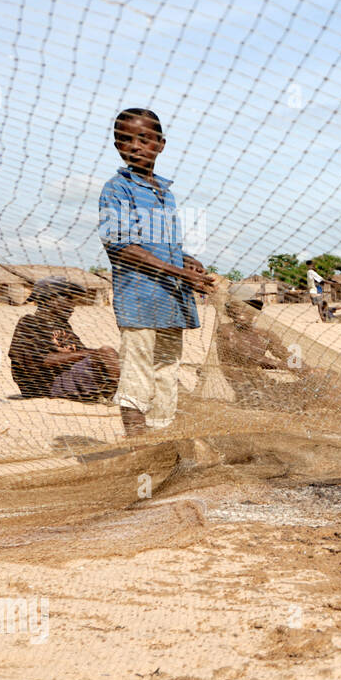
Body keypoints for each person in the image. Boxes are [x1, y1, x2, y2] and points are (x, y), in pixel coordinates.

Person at [99, 108, 213, 436]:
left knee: (166, 371)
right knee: (137, 370)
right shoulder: (117, 189)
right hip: (139, 298)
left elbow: (159, 244)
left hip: (170, 301)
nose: (134, 146)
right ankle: (136, 443)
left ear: (160, 144)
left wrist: (186, 260)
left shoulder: (164, 192)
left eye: (143, 139)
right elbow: (121, 246)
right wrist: (177, 271)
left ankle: (161, 438)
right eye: (124, 140)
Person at [8, 278, 119, 402]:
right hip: (45, 385)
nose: (73, 305)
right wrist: (91, 353)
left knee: (113, 357)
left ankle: (118, 392)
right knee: (107, 352)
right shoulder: (30, 323)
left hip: (68, 377)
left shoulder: (63, 325)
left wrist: (93, 354)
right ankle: (123, 395)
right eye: (68, 299)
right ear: (49, 299)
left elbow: (81, 352)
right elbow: (39, 361)